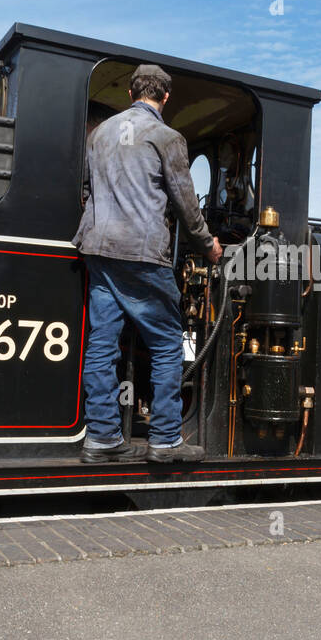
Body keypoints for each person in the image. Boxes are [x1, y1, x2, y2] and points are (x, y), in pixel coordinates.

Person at [73, 64, 223, 464]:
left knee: (102, 344)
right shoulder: (166, 137)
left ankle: (102, 436)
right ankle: (165, 438)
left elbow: (87, 193)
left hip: (98, 249)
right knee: (167, 344)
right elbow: (186, 205)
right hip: (141, 254)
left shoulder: (99, 134)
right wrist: (209, 246)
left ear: (130, 92)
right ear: (166, 97)